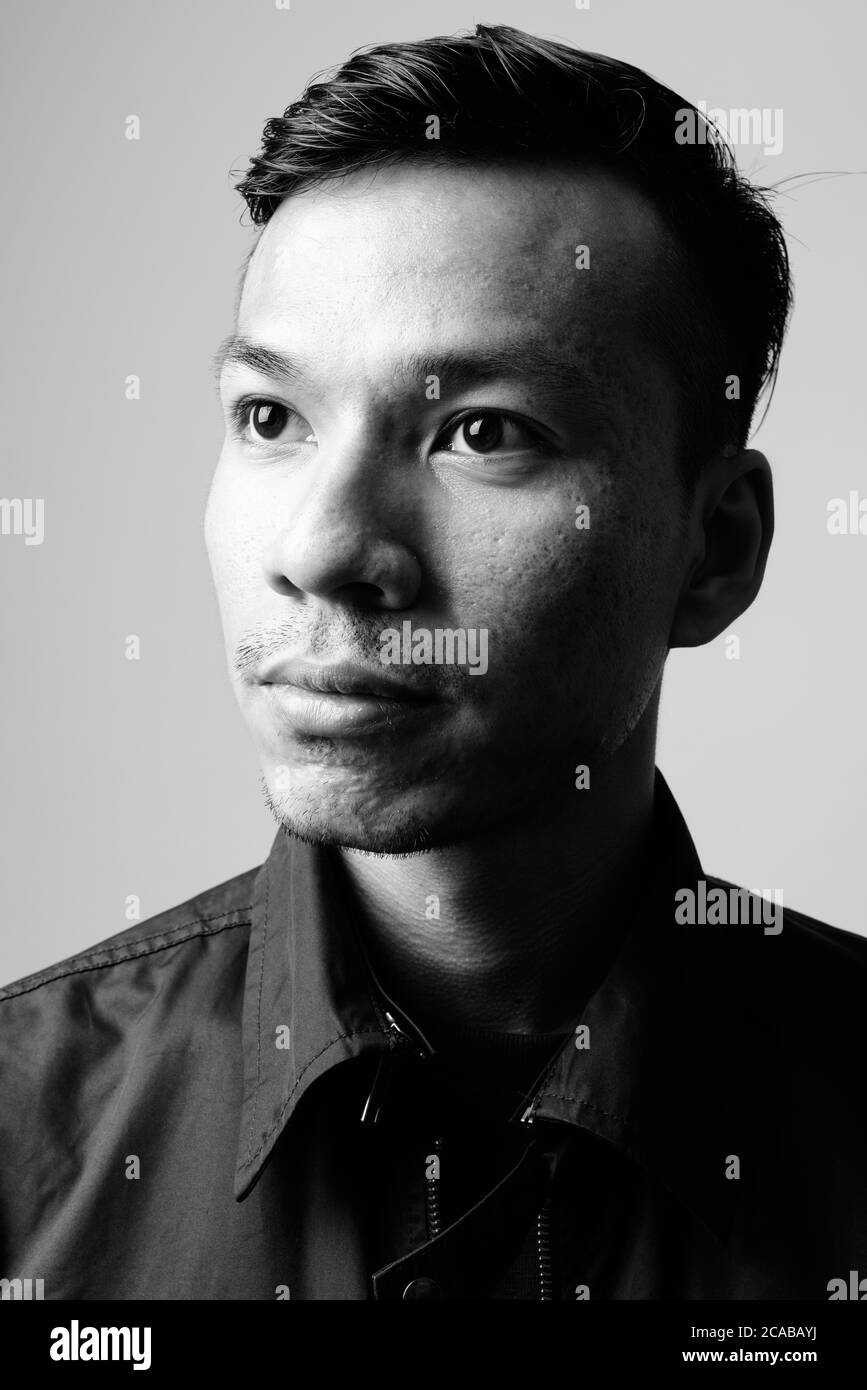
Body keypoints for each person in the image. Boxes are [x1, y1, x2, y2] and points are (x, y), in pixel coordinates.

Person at [2, 22, 865, 1302]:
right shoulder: (26, 1142)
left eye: (481, 431)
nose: (325, 546)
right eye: (271, 416)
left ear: (715, 548)